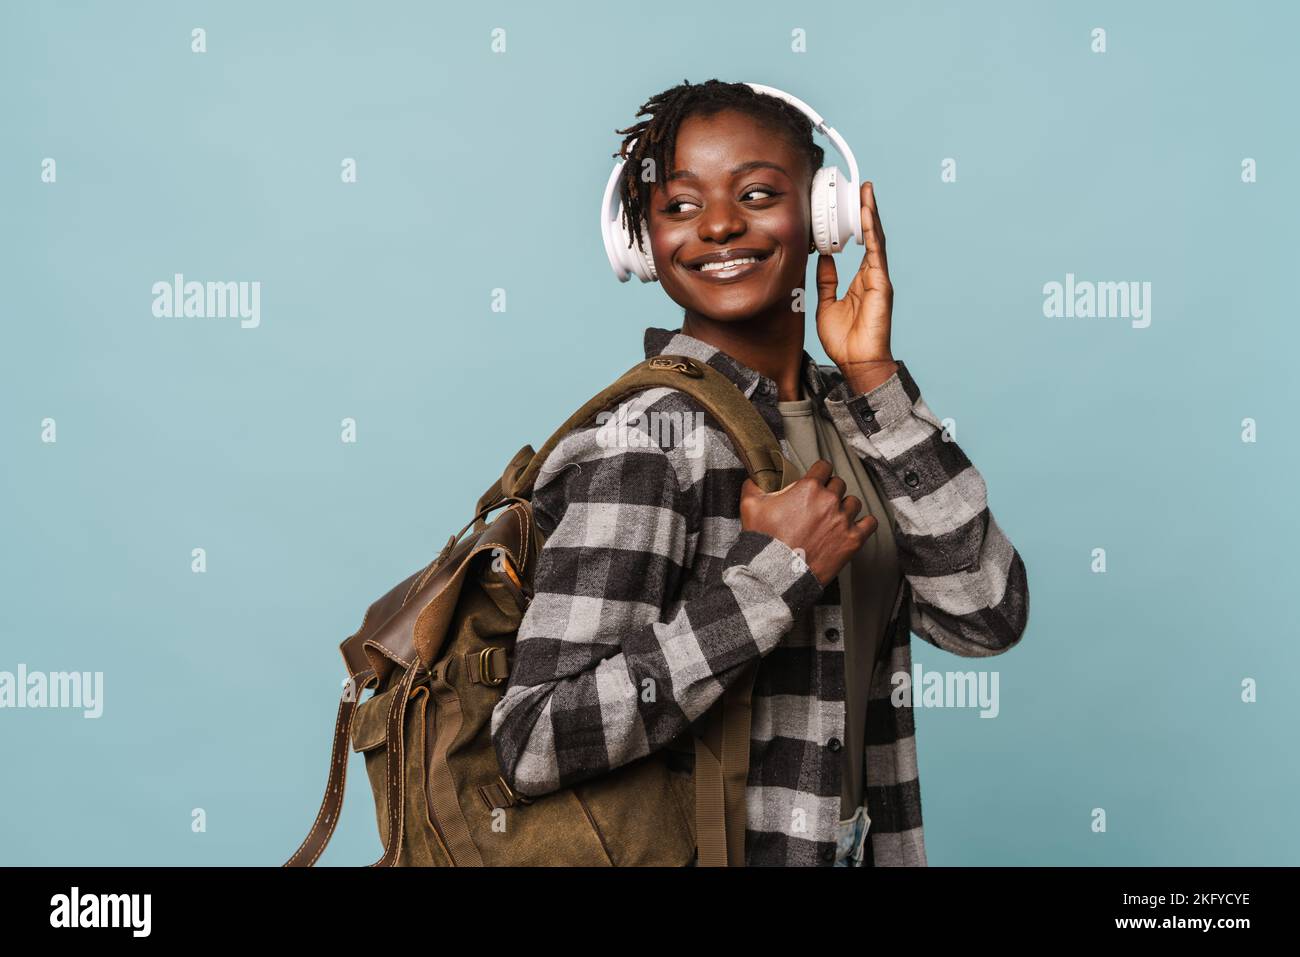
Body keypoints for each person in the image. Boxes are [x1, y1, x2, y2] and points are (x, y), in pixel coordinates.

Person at [490, 79, 1030, 866]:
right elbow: (534, 737)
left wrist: (875, 379)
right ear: (641, 240)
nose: (716, 225)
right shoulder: (650, 440)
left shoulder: (853, 417)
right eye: (679, 206)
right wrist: (779, 577)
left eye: (756, 193)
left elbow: (986, 615)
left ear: (824, 216)